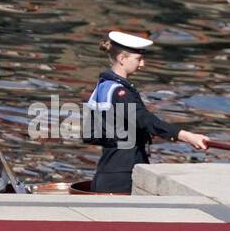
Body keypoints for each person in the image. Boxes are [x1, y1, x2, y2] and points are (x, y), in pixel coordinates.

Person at [86, 31, 210, 194]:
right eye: (138, 59)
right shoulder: (119, 92)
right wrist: (186, 136)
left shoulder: (104, 86)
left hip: (107, 170)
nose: (142, 64)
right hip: (123, 174)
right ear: (122, 58)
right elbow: (144, 120)